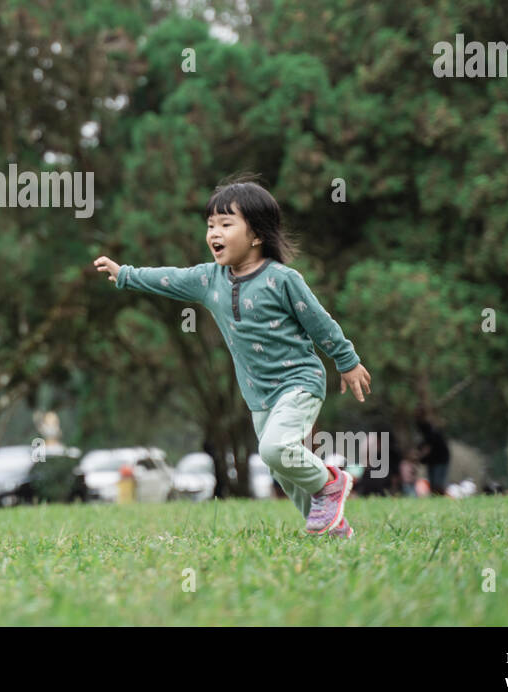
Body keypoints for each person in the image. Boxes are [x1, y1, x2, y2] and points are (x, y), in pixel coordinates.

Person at [94, 174, 371, 538]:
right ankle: (329, 527)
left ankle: (329, 484)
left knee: (275, 449)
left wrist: (346, 361)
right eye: (210, 225)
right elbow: (170, 279)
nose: (214, 233)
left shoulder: (282, 279)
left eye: (226, 224)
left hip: (299, 382)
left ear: (256, 235)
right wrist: (126, 274)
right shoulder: (210, 279)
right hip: (259, 394)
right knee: (280, 468)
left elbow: (320, 323)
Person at [415, 410, 450, 495]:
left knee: (437, 483)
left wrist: (419, 458)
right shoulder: (426, 432)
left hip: (441, 460)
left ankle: (440, 496)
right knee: (433, 483)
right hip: (433, 460)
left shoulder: (431, 433)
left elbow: (427, 449)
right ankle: (435, 496)